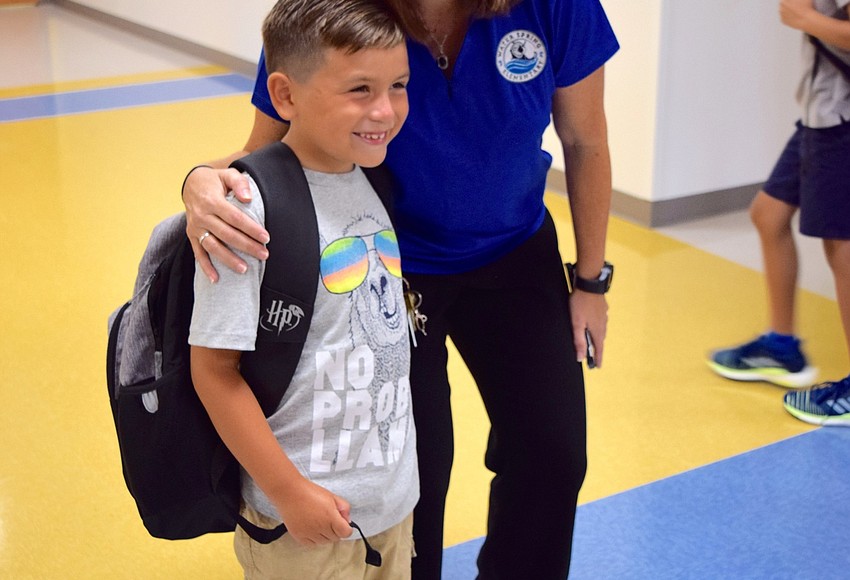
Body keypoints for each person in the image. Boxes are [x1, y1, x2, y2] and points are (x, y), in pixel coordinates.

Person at [184, 1, 619, 577]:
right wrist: (197, 182)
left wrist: (590, 281)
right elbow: (267, 152)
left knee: (553, 454)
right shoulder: (333, 12)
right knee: (417, 470)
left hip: (515, 251)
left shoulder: (555, 7)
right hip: (389, 261)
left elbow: (586, 142)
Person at [188, 1, 419, 578]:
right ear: (285, 96)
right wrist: (288, 491)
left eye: (399, 85)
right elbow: (214, 372)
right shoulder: (249, 206)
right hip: (299, 524)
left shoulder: (374, 184)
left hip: (391, 509)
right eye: (359, 89)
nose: (385, 110)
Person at [707, 0, 850, 427]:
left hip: (841, 120)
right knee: (768, 214)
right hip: (819, 115)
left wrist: (804, 18)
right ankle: (781, 346)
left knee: (842, 246)